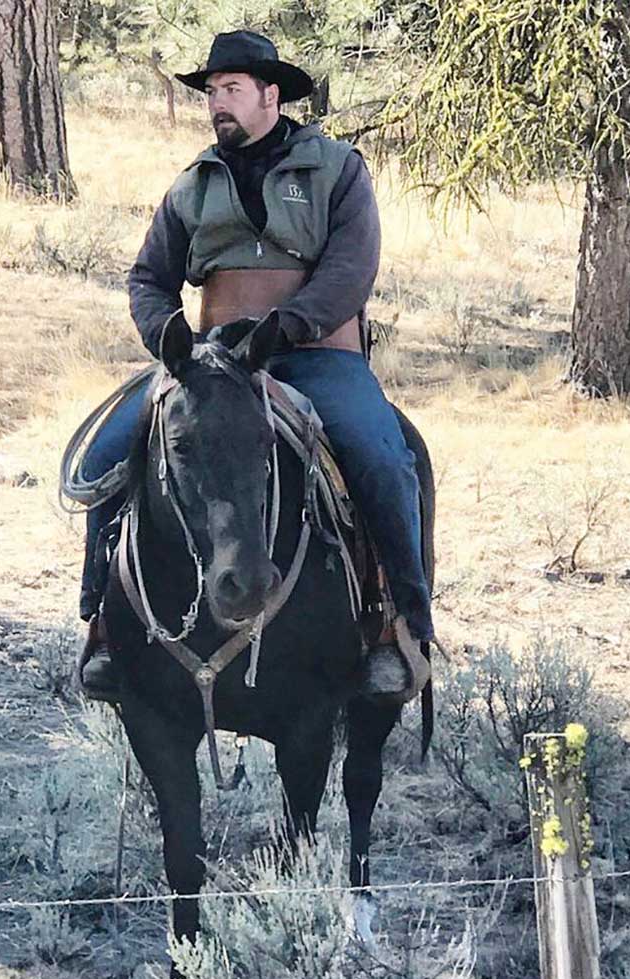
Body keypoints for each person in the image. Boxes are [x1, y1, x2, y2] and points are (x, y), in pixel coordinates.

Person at [77, 29, 432, 702]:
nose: (218, 103)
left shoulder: (337, 169)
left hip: (317, 354)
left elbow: (351, 269)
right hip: (213, 365)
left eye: (232, 90)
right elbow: (148, 277)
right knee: (107, 457)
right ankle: (103, 627)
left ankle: (399, 628)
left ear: (271, 95)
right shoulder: (193, 184)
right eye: (212, 92)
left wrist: (288, 327)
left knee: (382, 458)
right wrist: (171, 341)